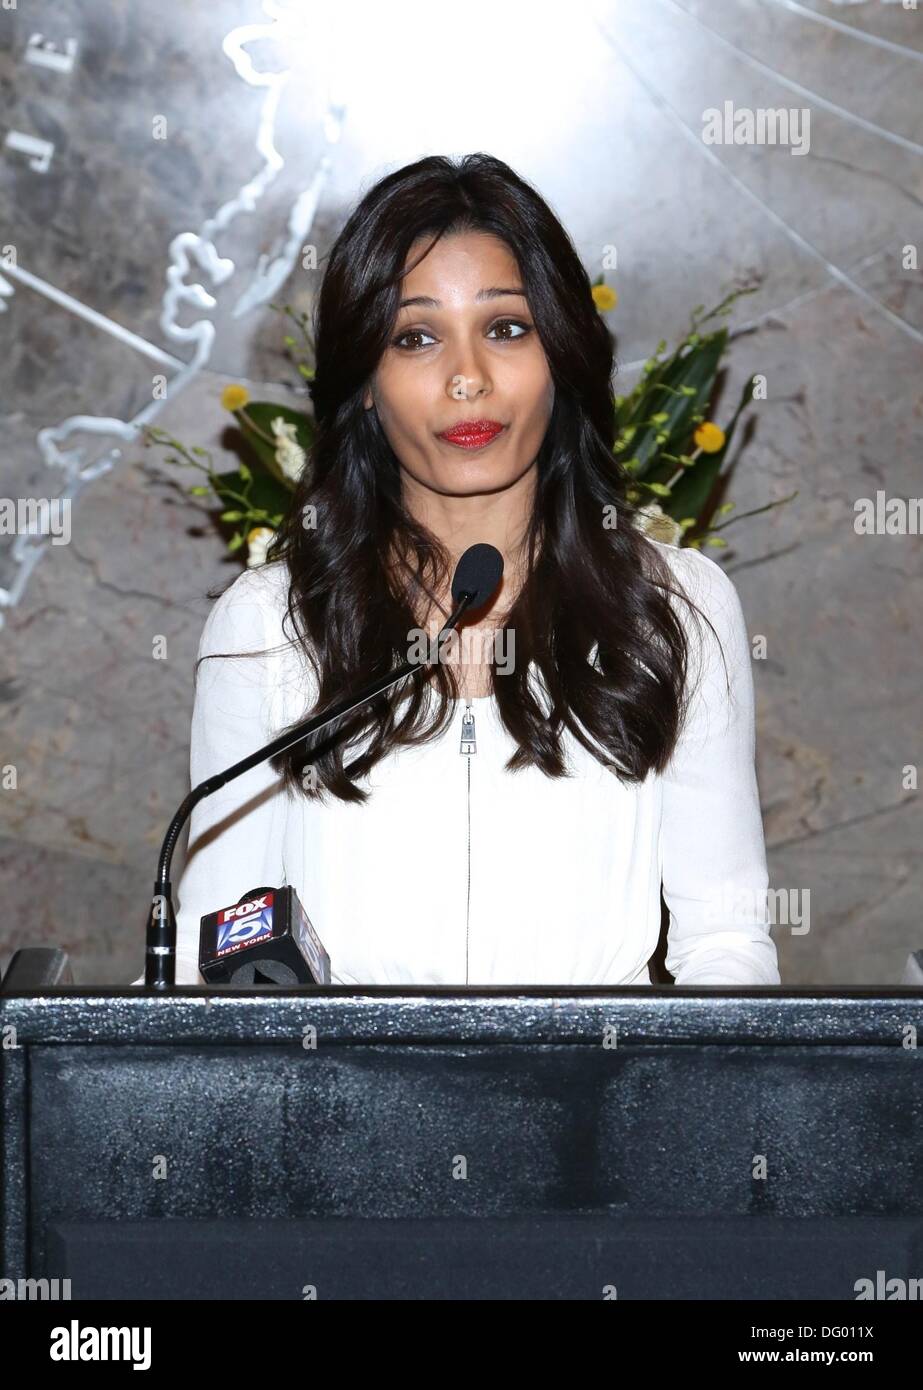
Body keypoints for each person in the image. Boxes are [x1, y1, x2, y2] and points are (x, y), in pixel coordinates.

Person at [134, 152, 780, 989]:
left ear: (561, 354)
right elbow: (216, 960)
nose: (467, 376)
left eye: (506, 328)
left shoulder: (674, 606)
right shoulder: (270, 624)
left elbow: (723, 943)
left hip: (601, 1104)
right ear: (365, 381)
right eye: (416, 336)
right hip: (342, 1106)